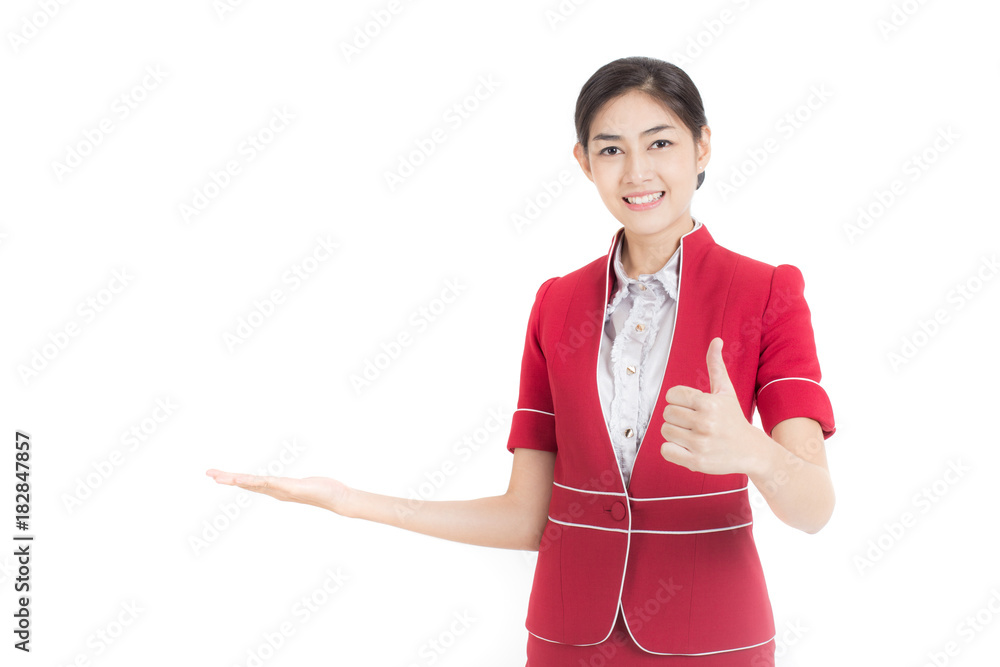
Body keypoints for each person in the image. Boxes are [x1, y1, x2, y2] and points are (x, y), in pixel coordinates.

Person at [206, 56, 836, 666]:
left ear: (702, 148)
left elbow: (814, 508)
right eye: (611, 148)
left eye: (661, 143)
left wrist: (752, 452)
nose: (638, 171)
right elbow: (528, 515)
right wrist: (350, 500)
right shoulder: (557, 304)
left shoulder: (767, 292)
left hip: (713, 642)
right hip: (567, 644)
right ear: (584, 163)